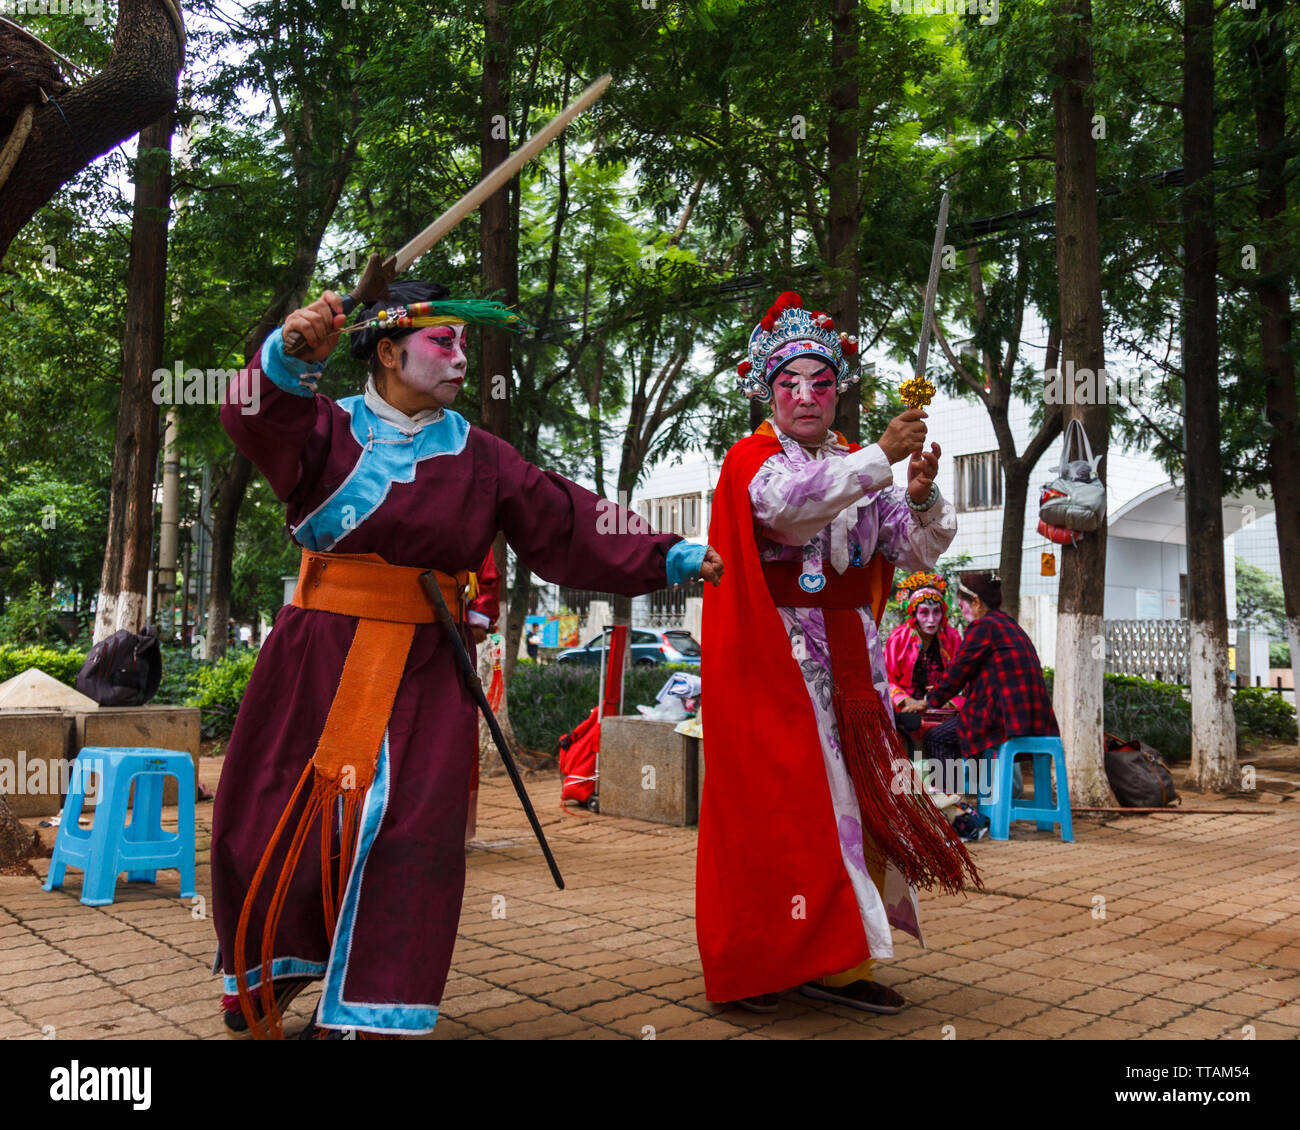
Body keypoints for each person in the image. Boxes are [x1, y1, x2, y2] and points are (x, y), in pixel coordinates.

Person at [212, 280, 724, 1039]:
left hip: (425, 666)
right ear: (387, 351)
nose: (460, 358)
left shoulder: (482, 456)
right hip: (316, 657)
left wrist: (670, 553)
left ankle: (369, 1012)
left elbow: (568, 521)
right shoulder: (324, 429)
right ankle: (268, 970)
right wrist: (287, 354)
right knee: (268, 819)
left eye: (461, 343)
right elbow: (255, 416)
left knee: (410, 833)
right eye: (440, 342)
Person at [699, 290, 980, 1018]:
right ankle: (763, 960)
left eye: (821, 383)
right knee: (791, 811)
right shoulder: (754, 461)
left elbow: (911, 550)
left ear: (838, 390)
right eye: (789, 383)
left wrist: (916, 495)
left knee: (863, 804)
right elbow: (791, 508)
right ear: (767, 390)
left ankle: (845, 960)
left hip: (856, 664)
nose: (805, 396)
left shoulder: (861, 463)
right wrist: (882, 459)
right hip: (780, 662)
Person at [924, 572, 1058, 799]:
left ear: (976, 602)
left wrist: (928, 701)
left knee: (937, 737)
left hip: (1008, 720)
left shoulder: (983, 627)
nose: (961, 609)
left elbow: (958, 671)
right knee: (971, 740)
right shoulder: (1008, 625)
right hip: (1035, 720)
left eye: (963, 603)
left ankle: (954, 810)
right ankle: (979, 807)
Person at [884, 571, 964, 766]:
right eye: (924, 613)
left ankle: (951, 789)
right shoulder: (899, 638)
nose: (931, 620)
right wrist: (907, 701)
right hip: (907, 707)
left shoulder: (953, 638)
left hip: (944, 707)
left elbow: (963, 677)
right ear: (914, 613)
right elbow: (887, 678)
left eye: (936, 612)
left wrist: (947, 700)